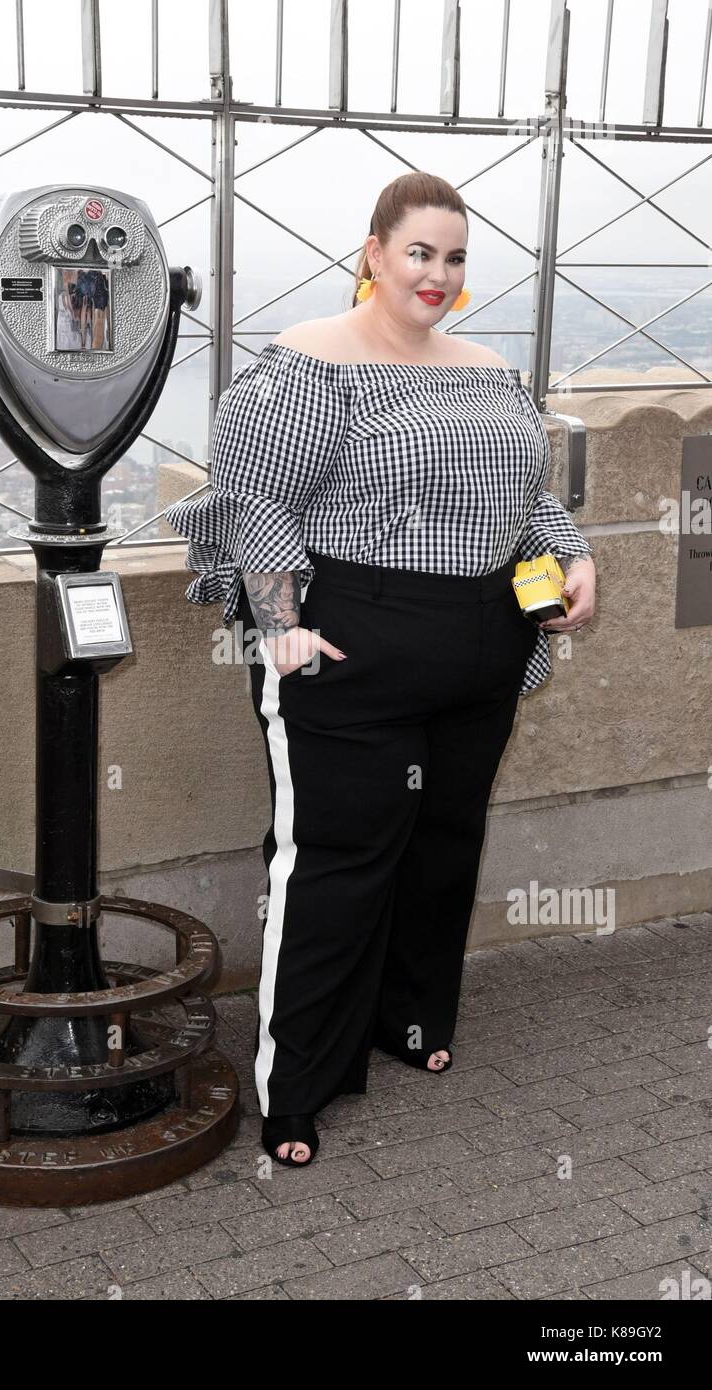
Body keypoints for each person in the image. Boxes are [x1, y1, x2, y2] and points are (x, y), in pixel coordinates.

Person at [164, 171, 596, 1168]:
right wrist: (278, 622)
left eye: (452, 258)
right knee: (332, 864)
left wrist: (575, 555)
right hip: (349, 640)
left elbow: (523, 497)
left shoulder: (485, 367)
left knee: (443, 842)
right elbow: (254, 502)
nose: (436, 275)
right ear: (372, 252)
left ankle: (408, 1018)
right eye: (418, 252)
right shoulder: (305, 364)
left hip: (481, 639)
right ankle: (295, 1087)